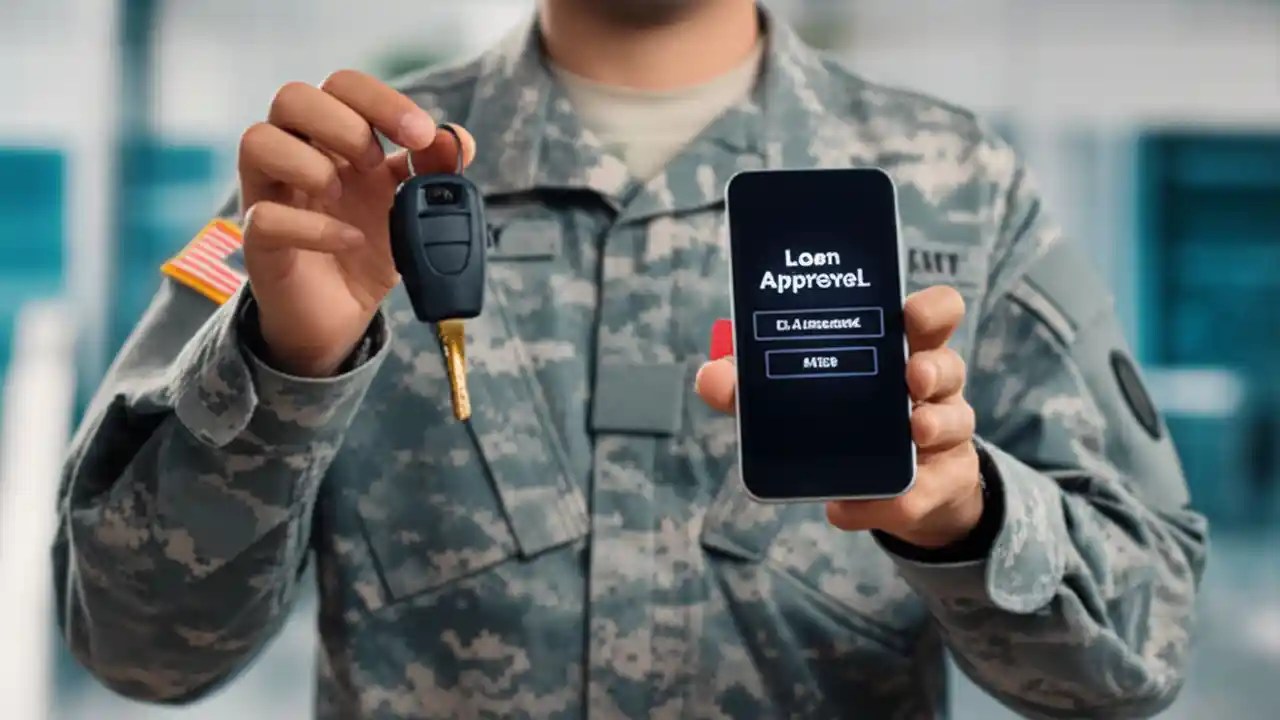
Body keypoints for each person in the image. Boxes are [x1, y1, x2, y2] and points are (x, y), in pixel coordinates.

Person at [54, 0, 1208, 717]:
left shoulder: (960, 186)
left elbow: (1137, 654)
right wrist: (285, 366)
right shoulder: (338, 184)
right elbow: (139, 649)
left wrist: (966, 518)